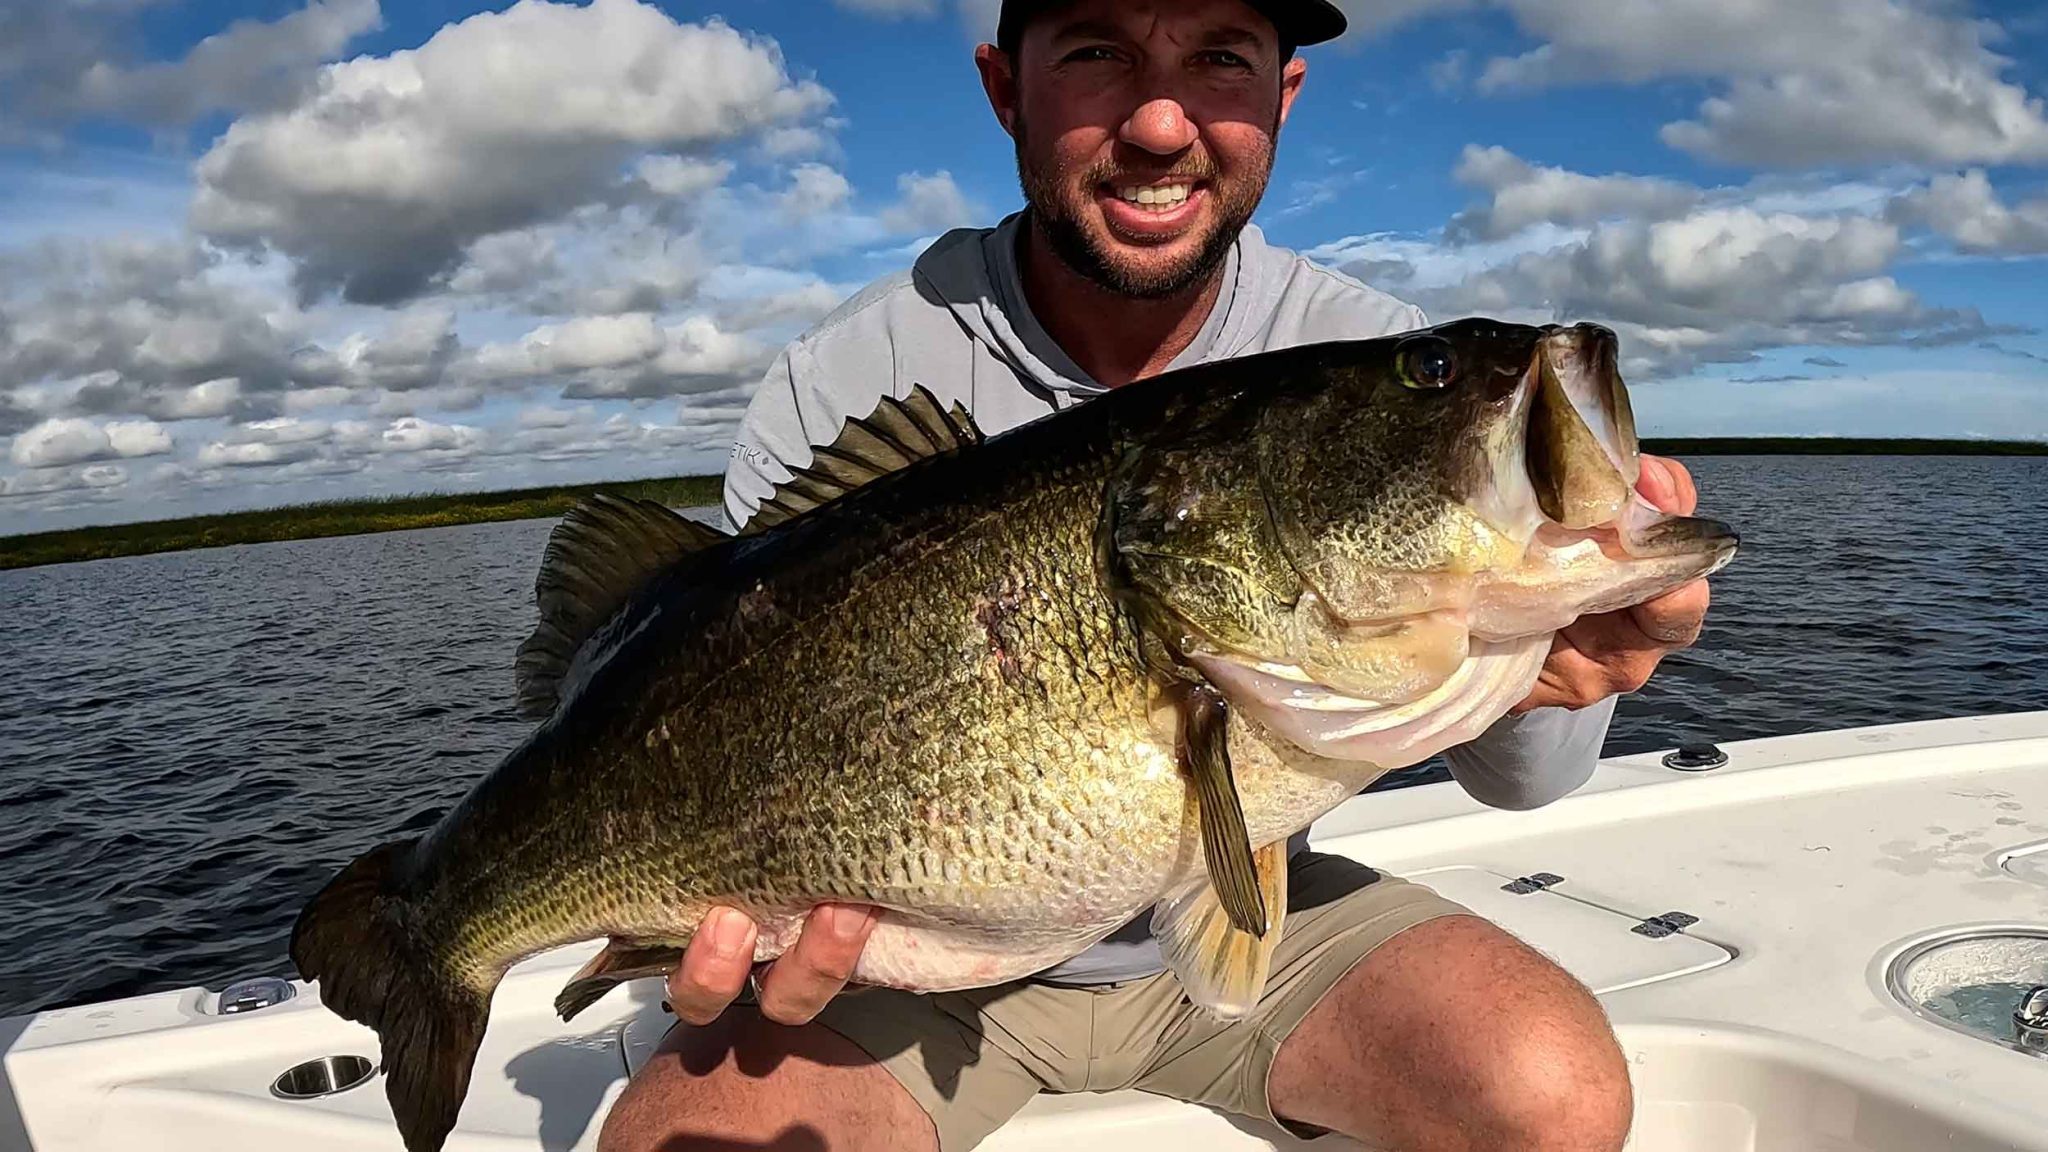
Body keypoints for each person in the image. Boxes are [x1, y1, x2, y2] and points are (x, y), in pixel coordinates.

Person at [599, 1, 1711, 1149]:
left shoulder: (1356, 341)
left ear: (1280, 96)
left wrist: (1572, 662)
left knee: (1552, 1095)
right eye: (1096, 54)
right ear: (1003, 90)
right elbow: (699, 710)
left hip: (1263, 916)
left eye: (1219, 60)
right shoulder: (845, 375)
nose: (1163, 121)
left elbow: (1518, 781)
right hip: (891, 972)